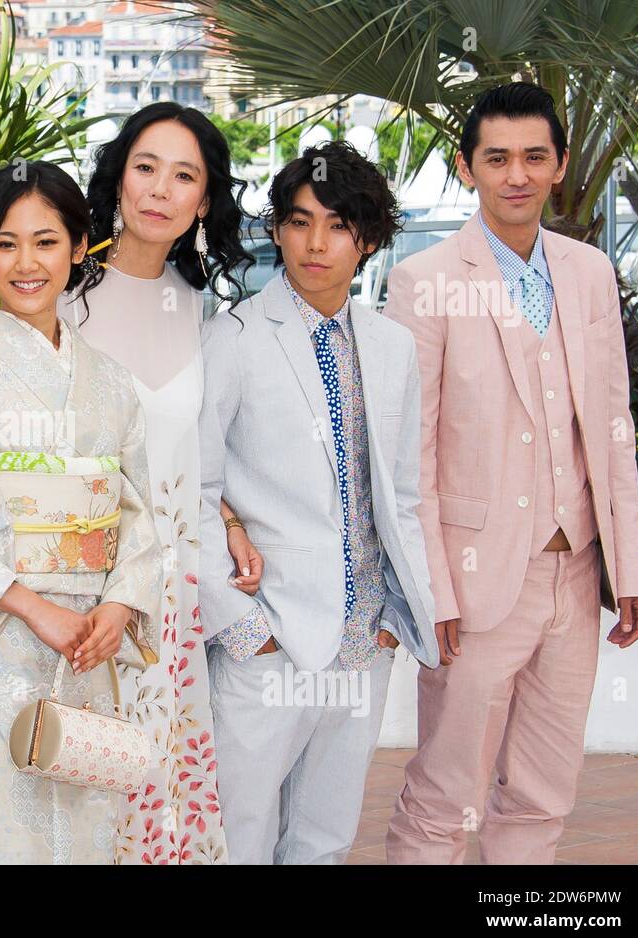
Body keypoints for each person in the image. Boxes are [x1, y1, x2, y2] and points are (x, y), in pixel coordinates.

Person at [0, 102, 254, 863]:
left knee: (141, 789)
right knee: (35, 796)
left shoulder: (205, 309)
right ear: (116, 179)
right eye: (145, 167)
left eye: (184, 177)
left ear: (204, 201)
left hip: (147, 597)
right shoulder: (58, 295)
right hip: (30, 602)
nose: (160, 190)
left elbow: (182, 449)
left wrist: (228, 519)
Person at [385, 83, 638, 864]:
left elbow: (612, 430)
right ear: (469, 167)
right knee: (444, 796)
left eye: (535, 156)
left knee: (543, 795)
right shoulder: (424, 279)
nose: (517, 175)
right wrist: (432, 583)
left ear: (560, 165)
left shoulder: (591, 272)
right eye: (497, 158)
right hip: (476, 581)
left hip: (577, 570)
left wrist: (627, 566)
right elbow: (412, 453)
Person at [0, 159, 163, 864]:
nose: (26, 262)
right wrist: (32, 606)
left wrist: (119, 604)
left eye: (46, 241)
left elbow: (135, 511)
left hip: (88, 642)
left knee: (85, 826)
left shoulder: (109, 381)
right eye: (6, 243)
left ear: (80, 248)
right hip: (0, 642)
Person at [198, 142, 439, 864]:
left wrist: (395, 618)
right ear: (276, 229)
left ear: (366, 240)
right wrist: (242, 629)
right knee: (238, 835)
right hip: (267, 635)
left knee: (324, 841)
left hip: (364, 639)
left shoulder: (394, 346)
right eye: (299, 222)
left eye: (338, 226)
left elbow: (401, 494)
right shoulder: (233, 338)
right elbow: (193, 487)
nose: (315, 243)